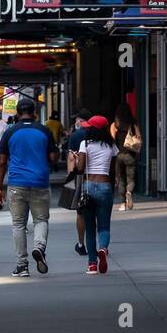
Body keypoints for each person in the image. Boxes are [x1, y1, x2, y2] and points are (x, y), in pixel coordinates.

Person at [0, 96, 57, 277]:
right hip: (40, 183)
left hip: (16, 184)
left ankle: (22, 266)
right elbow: (53, 158)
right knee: (41, 220)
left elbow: (1, 162)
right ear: (35, 113)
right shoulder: (44, 131)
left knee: (18, 224)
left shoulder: (10, 132)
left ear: (17, 113)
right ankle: (39, 247)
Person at [76, 115, 118, 274]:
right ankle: (103, 249)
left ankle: (92, 264)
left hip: (88, 187)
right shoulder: (111, 145)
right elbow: (112, 169)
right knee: (104, 225)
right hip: (105, 186)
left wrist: (76, 158)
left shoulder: (84, 144)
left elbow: (80, 168)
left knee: (90, 227)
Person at [65, 111, 90, 255]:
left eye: (78, 120)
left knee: (80, 213)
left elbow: (71, 158)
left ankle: (81, 244)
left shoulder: (76, 136)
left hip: (80, 178)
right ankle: (100, 246)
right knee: (96, 213)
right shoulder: (99, 135)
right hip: (98, 177)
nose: (77, 123)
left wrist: (69, 179)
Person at [111, 104, 142, 210]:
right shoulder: (133, 123)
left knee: (121, 179)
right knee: (131, 178)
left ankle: (122, 204)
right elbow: (138, 137)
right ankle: (129, 192)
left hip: (119, 155)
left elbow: (112, 140)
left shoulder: (115, 124)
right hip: (130, 155)